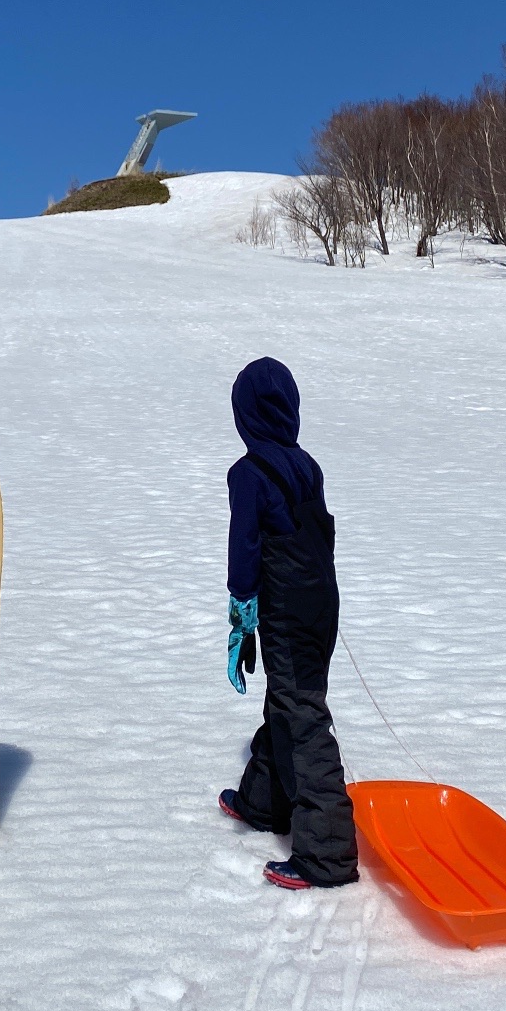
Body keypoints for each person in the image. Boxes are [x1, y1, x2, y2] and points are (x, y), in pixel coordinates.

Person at [220, 356, 359, 890]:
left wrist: (241, 615)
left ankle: (327, 855)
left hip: (287, 609)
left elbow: (245, 550)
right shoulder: (308, 466)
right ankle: (264, 802)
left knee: (302, 715)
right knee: (287, 698)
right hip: (320, 605)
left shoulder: (248, 474)